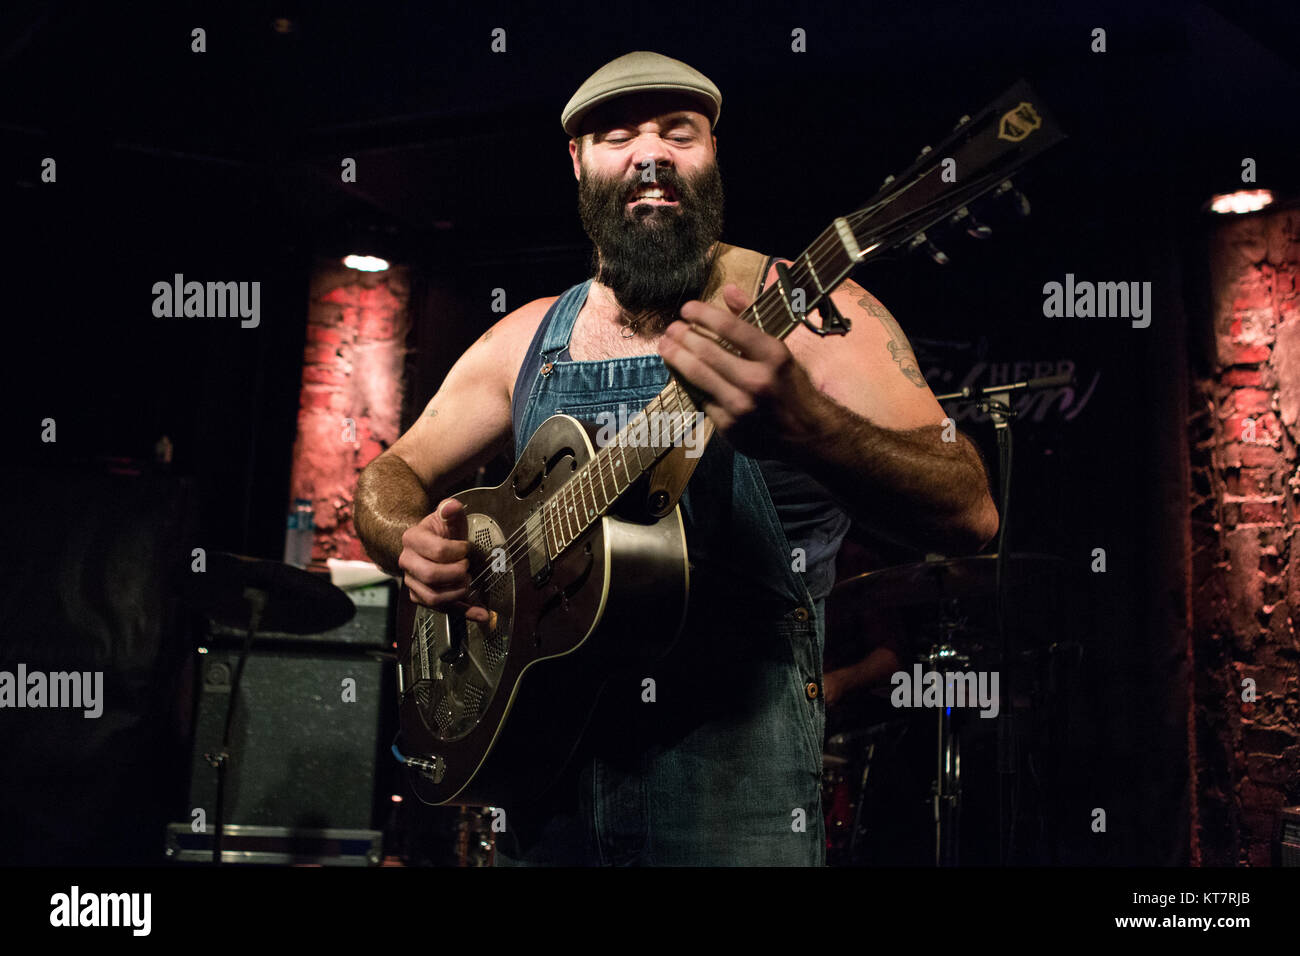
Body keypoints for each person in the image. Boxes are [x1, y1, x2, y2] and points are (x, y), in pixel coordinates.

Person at [354, 51, 998, 866]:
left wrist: (811, 430)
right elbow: (386, 479)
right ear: (578, 162)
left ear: (713, 156)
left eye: (678, 133)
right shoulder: (525, 339)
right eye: (618, 135)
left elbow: (971, 509)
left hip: (739, 807)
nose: (650, 154)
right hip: (538, 795)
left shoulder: (813, 311)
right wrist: (409, 542)